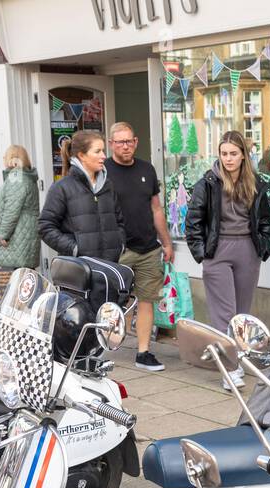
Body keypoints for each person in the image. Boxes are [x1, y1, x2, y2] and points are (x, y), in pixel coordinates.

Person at [185, 130, 270, 389]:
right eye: (224, 154)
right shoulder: (208, 183)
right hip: (218, 251)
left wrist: (263, 247)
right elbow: (193, 221)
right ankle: (229, 369)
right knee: (224, 314)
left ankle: (238, 360)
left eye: (233, 154)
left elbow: (265, 220)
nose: (228, 159)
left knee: (242, 315)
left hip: (247, 250)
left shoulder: (255, 183)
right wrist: (202, 254)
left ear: (243, 155)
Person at [105, 121, 175, 372]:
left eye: (130, 141)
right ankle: (102, 347)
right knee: (112, 301)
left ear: (136, 142)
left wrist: (166, 242)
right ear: (111, 144)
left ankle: (143, 352)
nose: (126, 146)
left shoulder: (147, 169)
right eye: (120, 142)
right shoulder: (103, 171)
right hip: (119, 250)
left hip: (148, 248)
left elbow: (156, 208)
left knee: (147, 300)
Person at [37, 129, 126, 263]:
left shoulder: (107, 186)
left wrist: (120, 244)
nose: (103, 156)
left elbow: (119, 221)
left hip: (110, 267)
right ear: (82, 156)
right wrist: (75, 249)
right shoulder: (62, 188)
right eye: (97, 151)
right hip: (79, 271)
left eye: (103, 150)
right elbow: (45, 227)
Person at [0, 145, 41, 271]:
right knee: (26, 275)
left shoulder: (16, 177)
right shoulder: (24, 176)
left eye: (5, 156)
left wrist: (4, 235)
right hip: (25, 232)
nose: (3, 159)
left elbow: (12, 209)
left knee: (21, 277)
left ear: (12, 158)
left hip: (18, 234)